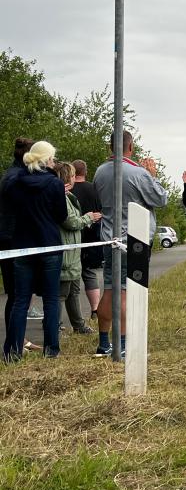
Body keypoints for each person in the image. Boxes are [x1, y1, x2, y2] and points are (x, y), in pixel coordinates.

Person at [93, 131, 168, 356]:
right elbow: (160, 199)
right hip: (135, 240)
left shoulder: (100, 171)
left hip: (109, 237)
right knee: (127, 291)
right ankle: (124, 345)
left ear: (110, 147)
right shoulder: (138, 173)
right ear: (131, 147)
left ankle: (104, 343)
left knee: (109, 287)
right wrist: (152, 176)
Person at [3, 141, 68, 361]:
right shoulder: (55, 184)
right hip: (49, 245)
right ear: (48, 159)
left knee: (20, 300)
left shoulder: (16, 182)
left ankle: (13, 351)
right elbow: (61, 216)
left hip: (22, 246)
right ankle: (51, 350)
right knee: (50, 299)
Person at [54, 162, 102, 334]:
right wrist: (88, 218)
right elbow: (70, 222)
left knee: (74, 290)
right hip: (66, 252)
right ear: (69, 177)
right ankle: (55, 326)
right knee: (61, 293)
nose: (75, 178)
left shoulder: (68, 196)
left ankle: (79, 325)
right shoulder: (60, 198)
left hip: (74, 252)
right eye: (73, 176)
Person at [0, 137, 34, 350]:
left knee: (18, 294)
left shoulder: (14, 174)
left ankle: (17, 340)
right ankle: (13, 344)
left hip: (13, 238)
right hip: (12, 240)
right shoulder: (16, 178)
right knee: (16, 294)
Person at [71, 159, 103, 319]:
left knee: (72, 277)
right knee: (89, 273)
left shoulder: (67, 190)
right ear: (86, 172)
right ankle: (95, 310)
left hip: (71, 237)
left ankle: (74, 315)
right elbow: (100, 212)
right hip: (91, 237)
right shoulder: (93, 189)